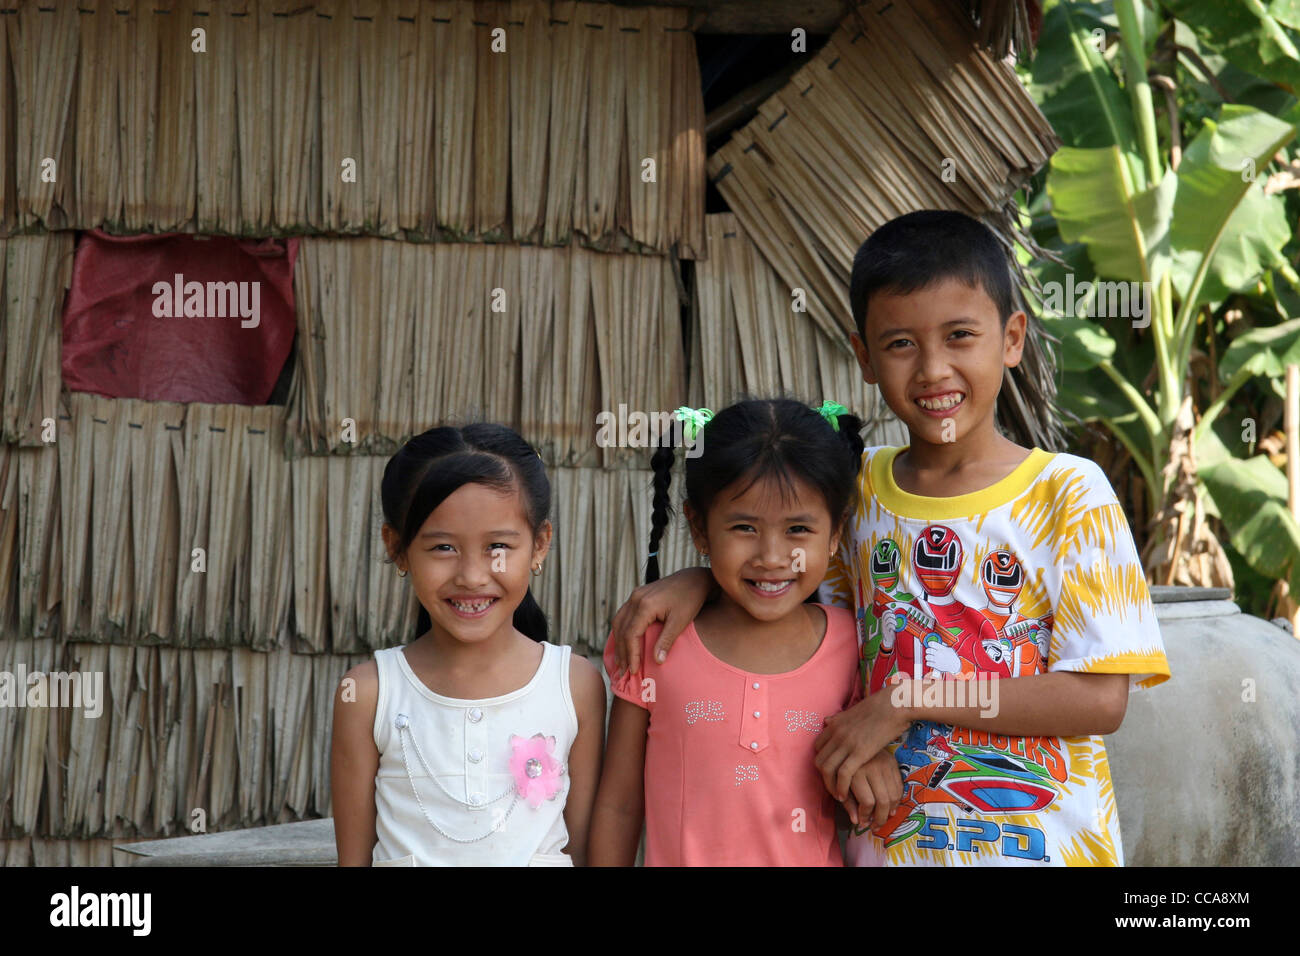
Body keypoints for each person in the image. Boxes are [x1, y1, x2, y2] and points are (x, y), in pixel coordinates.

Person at [606, 210, 1171, 866]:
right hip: (887, 849)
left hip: (1044, 850)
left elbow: (1100, 699)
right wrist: (700, 578)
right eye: (901, 344)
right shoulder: (857, 487)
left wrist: (908, 700)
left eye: (960, 335)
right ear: (865, 358)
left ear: (1012, 338)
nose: (933, 369)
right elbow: (789, 587)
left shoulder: (1071, 494)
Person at [588, 398, 902, 867]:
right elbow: (619, 804)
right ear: (699, 528)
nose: (772, 557)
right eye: (743, 527)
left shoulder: (855, 647)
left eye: (798, 528)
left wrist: (868, 764)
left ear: (836, 533)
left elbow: (847, 801)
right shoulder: (654, 642)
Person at [331, 424, 605, 866]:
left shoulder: (575, 687)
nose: (472, 576)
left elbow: (584, 849)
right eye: (443, 547)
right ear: (398, 549)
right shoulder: (368, 694)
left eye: (498, 546)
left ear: (539, 545)